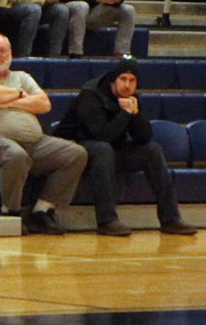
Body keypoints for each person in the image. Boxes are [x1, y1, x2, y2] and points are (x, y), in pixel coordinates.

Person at [53, 58, 197, 237]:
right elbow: (102, 135)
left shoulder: (131, 99)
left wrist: (135, 114)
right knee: (103, 149)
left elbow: (144, 137)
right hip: (76, 149)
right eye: (123, 79)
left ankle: (171, 219)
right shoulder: (91, 96)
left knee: (152, 150)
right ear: (114, 79)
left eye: (132, 81)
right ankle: (107, 220)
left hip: (108, 151)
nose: (127, 85)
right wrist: (125, 113)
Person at [0, 33, 86, 234]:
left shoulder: (22, 77)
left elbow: (44, 104)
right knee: (15, 154)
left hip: (34, 142)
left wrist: (6, 103)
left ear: (11, 53)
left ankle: (42, 211)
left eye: (3, 51)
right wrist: (19, 94)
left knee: (75, 154)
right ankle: (12, 212)